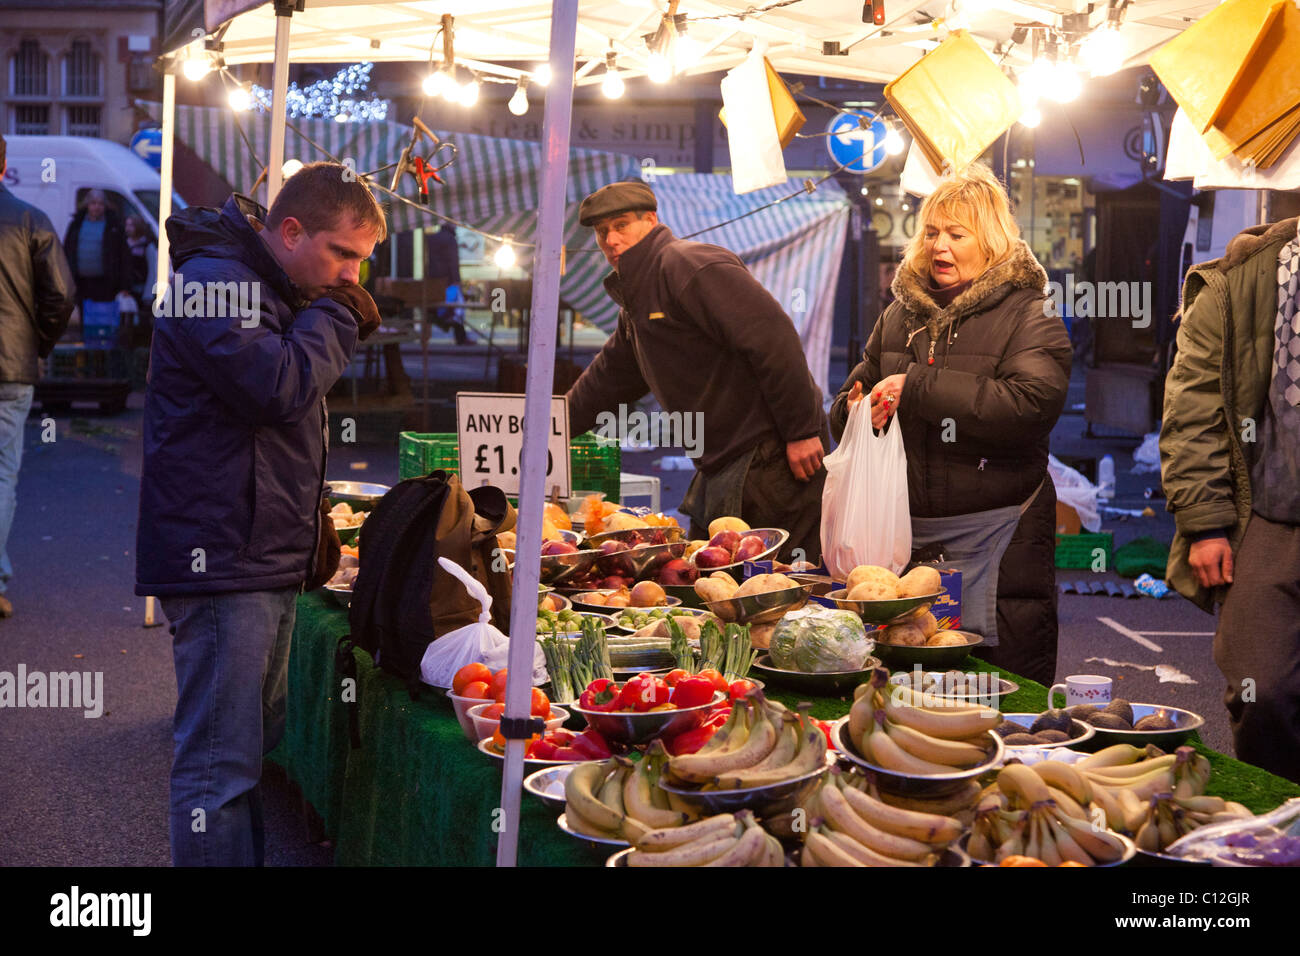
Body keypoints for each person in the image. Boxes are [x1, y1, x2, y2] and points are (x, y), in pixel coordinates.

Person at [135, 161, 386, 865]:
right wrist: (335, 315)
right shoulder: (217, 285)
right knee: (219, 765)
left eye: (361, 263)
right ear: (290, 229)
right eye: (343, 255)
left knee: (243, 753)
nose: (351, 278)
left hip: (254, 554)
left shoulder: (262, 284)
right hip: (222, 558)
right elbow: (279, 387)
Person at [829, 163, 1071, 685]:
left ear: (989, 242)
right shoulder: (900, 314)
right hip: (904, 538)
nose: (941, 246)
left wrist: (916, 387)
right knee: (905, 685)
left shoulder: (1031, 314)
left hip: (1000, 536)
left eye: (957, 235)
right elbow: (851, 394)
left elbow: (1030, 406)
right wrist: (856, 413)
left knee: (995, 689)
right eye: (933, 232)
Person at [565, 180, 828, 562]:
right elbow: (608, 379)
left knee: (774, 587)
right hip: (721, 464)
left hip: (769, 459)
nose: (610, 239)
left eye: (621, 225)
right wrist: (549, 431)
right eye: (602, 232)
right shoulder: (638, 301)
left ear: (651, 220)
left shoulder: (688, 265)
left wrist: (801, 429)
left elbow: (773, 337)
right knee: (709, 581)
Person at [1160, 215, 1300, 784]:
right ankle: (1281, 804)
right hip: (1273, 512)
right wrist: (1206, 522)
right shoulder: (1245, 277)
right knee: (1260, 688)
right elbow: (1193, 409)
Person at [0, 134, 76, 618]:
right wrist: (37, 344)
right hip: (12, 367)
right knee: (3, 473)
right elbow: (61, 295)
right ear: (5, 165)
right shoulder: (31, 219)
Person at [62, 189, 130, 324]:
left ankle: (102, 339)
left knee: (103, 315)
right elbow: (67, 250)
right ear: (87, 205)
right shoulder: (76, 224)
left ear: (105, 206)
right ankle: (87, 337)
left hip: (106, 281)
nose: (96, 207)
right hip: (81, 281)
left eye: (100, 203)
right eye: (93, 203)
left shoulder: (114, 226)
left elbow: (124, 256)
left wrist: (125, 285)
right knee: (84, 315)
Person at [123, 215, 158, 347]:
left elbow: (152, 271)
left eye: (131, 225)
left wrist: (148, 294)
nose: (128, 228)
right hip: (128, 290)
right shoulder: (125, 244)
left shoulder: (147, 246)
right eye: (127, 225)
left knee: (142, 322)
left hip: (142, 290)